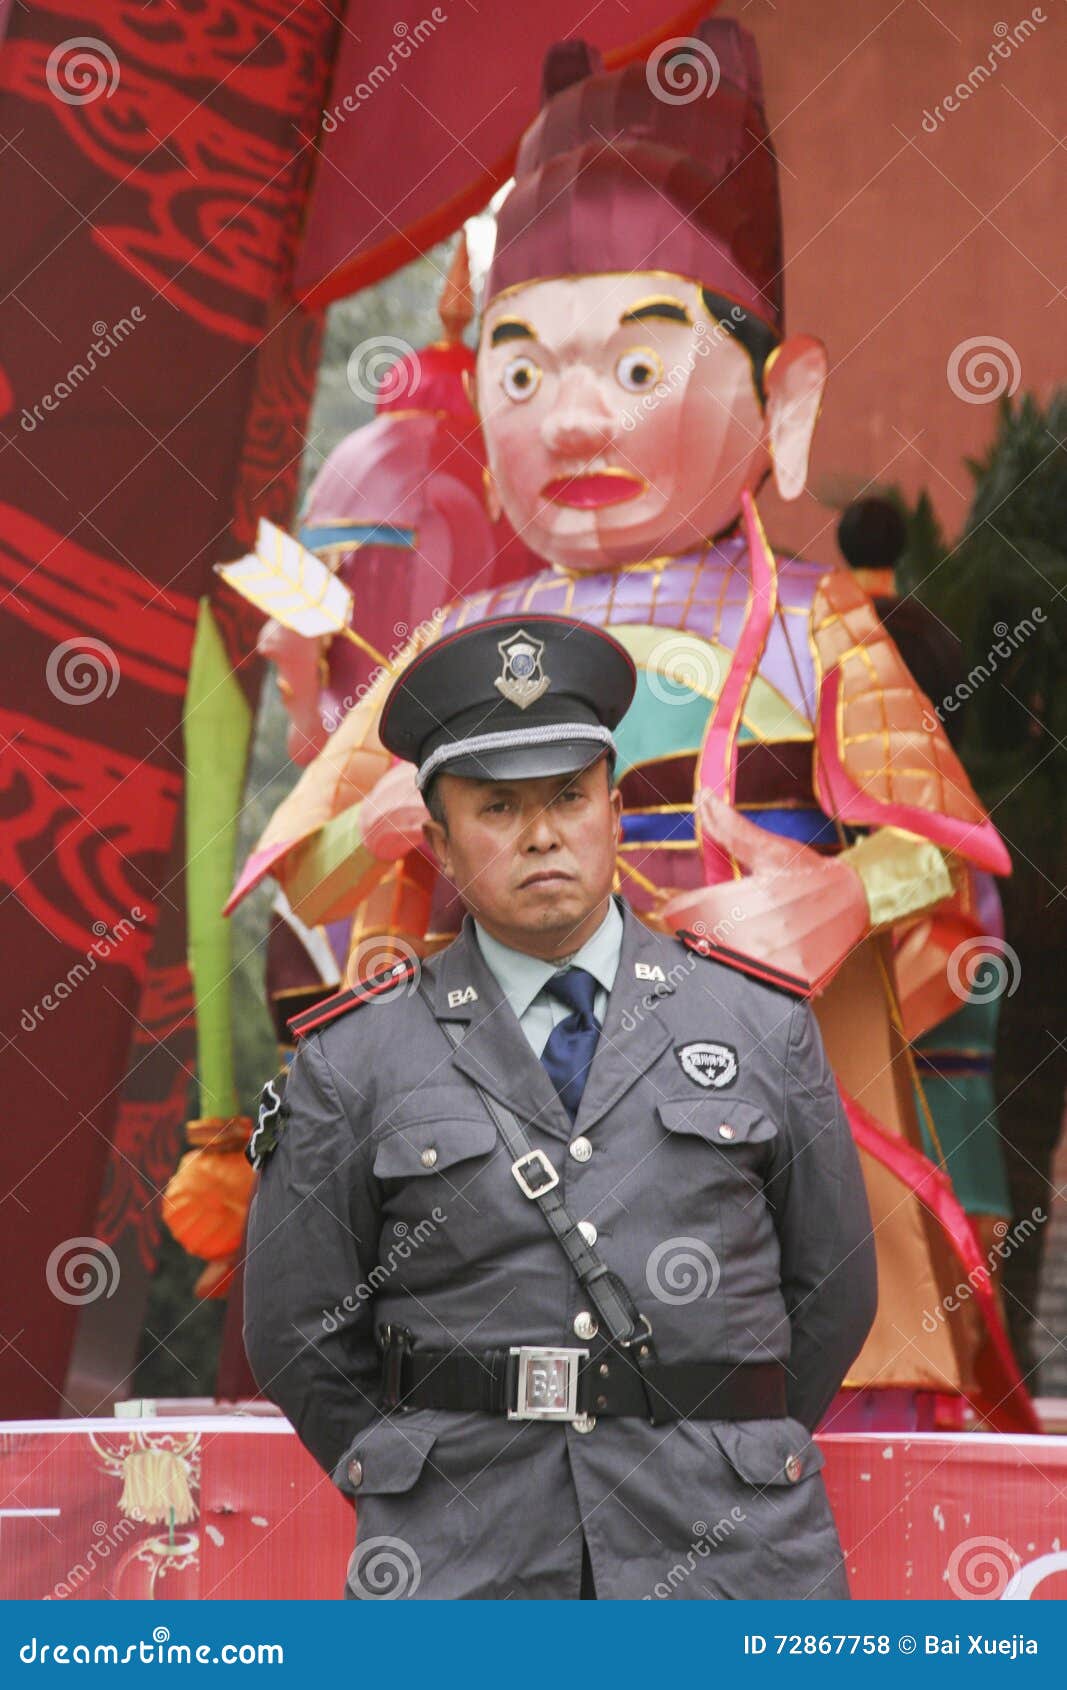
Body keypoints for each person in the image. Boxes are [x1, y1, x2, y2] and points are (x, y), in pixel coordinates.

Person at [242, 613, 878, 1600]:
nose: (542, 833)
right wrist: (418, 1466)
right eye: (497, 806)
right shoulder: (353, 1058)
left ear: (614, 813)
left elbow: (832, 1289)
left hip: (725, 1550)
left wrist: (712, 1432)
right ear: (441, 842)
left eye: (569, 797)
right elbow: (294, 1325)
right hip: (462, 1556)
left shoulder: (757, 1024)